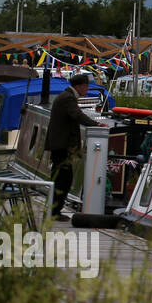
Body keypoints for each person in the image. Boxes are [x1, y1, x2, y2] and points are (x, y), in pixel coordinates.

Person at [45, 74, 108, 220]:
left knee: (62, 178)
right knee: (63, 179)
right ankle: (54, 212)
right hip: (62, 146)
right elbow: (77, 115)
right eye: (86, 86)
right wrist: (96, 124)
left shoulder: (66, 96)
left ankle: (54, 211)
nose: (87, 89)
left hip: (60, 145)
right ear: (79, 86)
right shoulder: (68, 98)